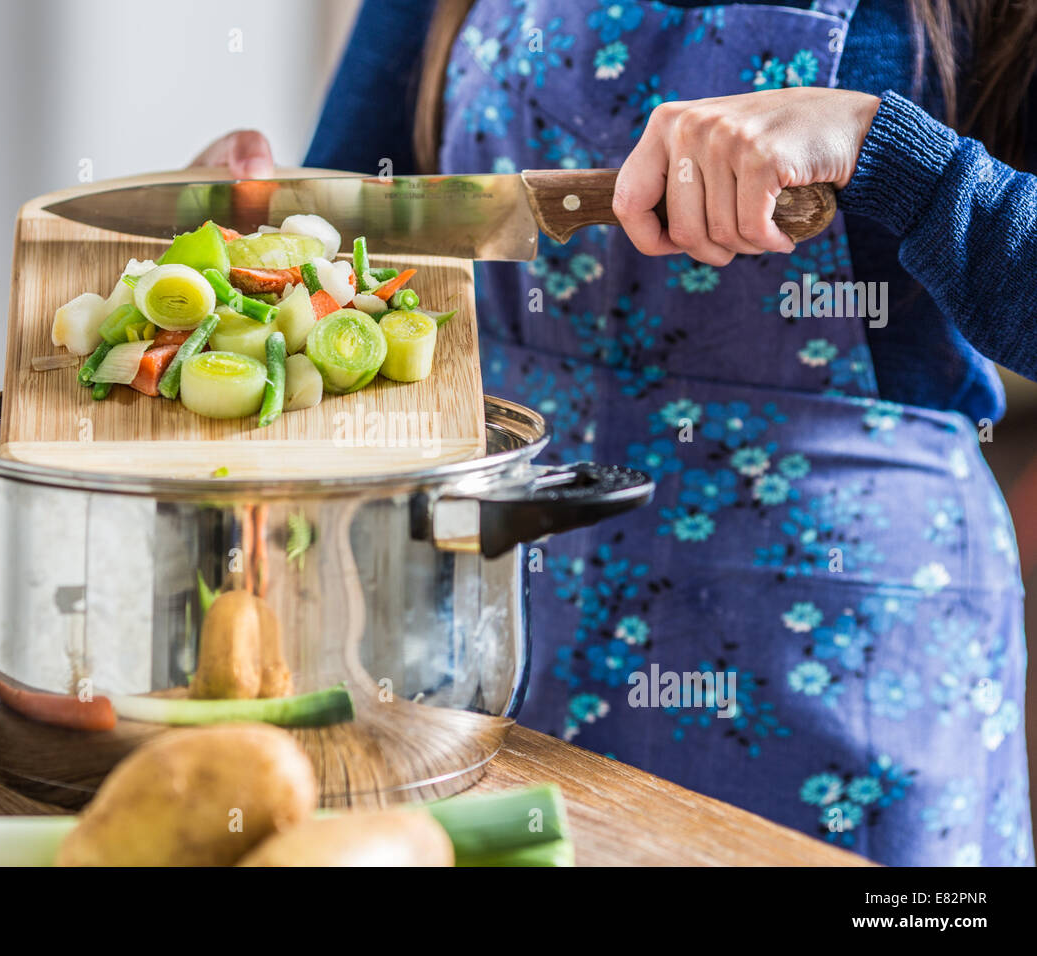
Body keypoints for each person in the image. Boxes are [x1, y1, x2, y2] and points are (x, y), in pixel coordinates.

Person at [192, 0, 1036, 866]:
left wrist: (889, 152)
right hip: (488, 625)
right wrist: (251, 265)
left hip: (838, 648)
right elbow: (360, 233)